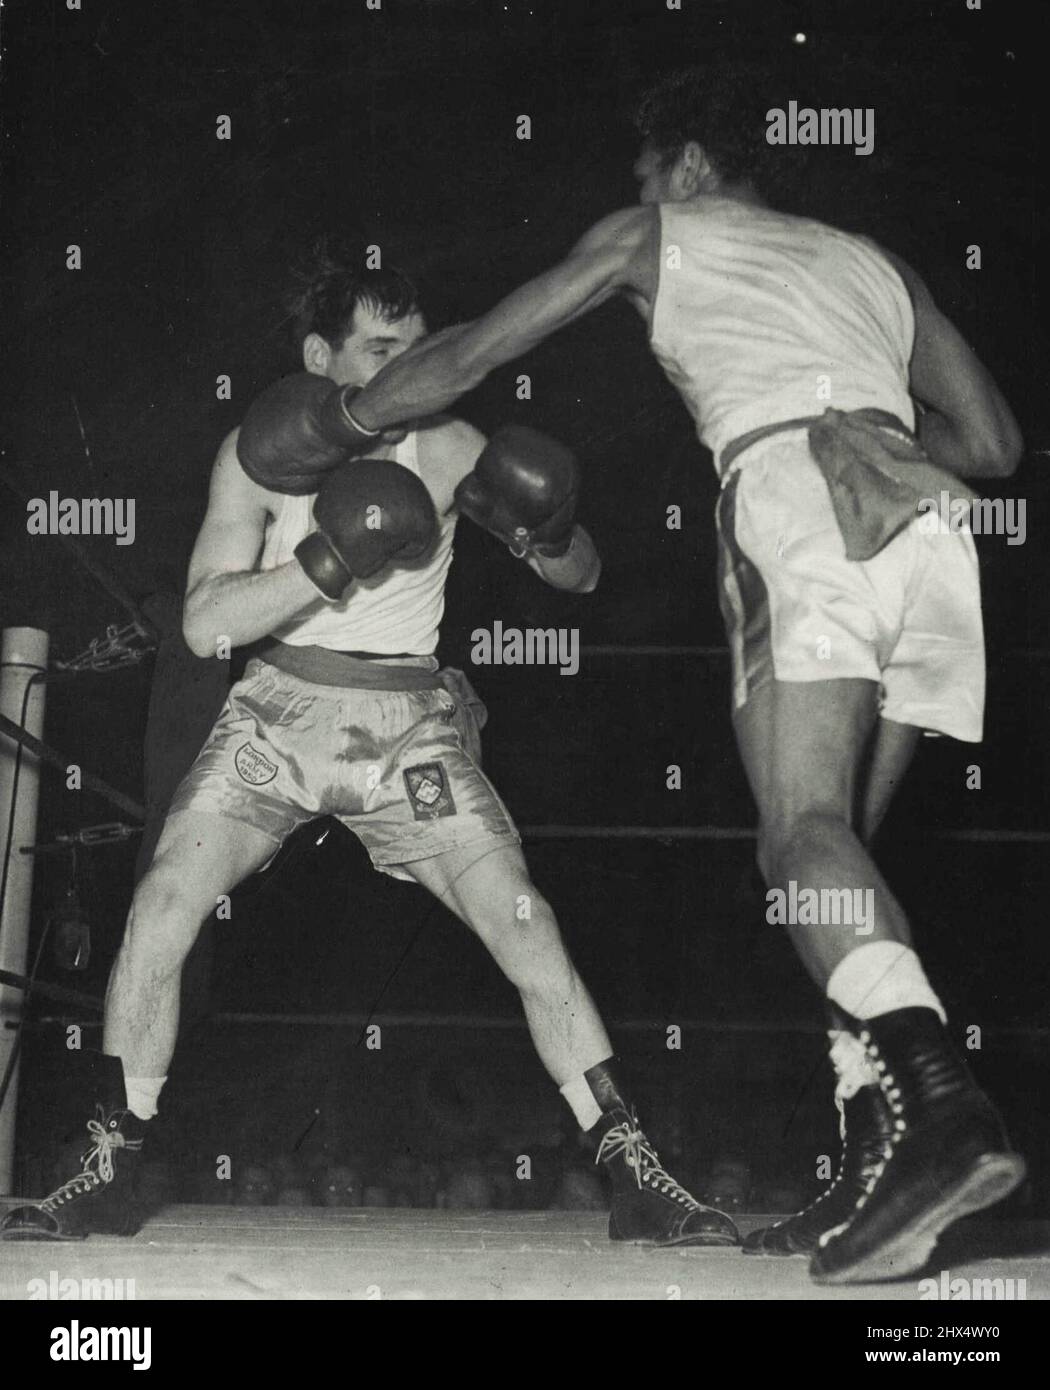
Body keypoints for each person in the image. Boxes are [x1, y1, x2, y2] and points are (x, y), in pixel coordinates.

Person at [257, 68, 1026, 1284]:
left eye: (640, 170)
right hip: (926, 522)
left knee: (803, 837)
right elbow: (993, 445)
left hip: (799, 497)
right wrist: (873, 443)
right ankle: (878, 1167)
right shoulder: (875, 262)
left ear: (684, 167)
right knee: (835, 872)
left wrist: (348, 418)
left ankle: (941, 1101)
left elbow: (467, 354)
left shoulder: (656, 231)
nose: (633, 191)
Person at [1, 246, 737, 1250]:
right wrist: (327, 561)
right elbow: (206, 624)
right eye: (382, 347)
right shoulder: (255, 455)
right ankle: (112, 1158)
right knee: (165, 897)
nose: (408, 368)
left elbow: (582, 575)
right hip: (275, 714)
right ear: (321, 354)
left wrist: (544, 525)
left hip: (407, 736)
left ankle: (631, 1164)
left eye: (416, 347)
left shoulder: (440, 445)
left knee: (525, 919)